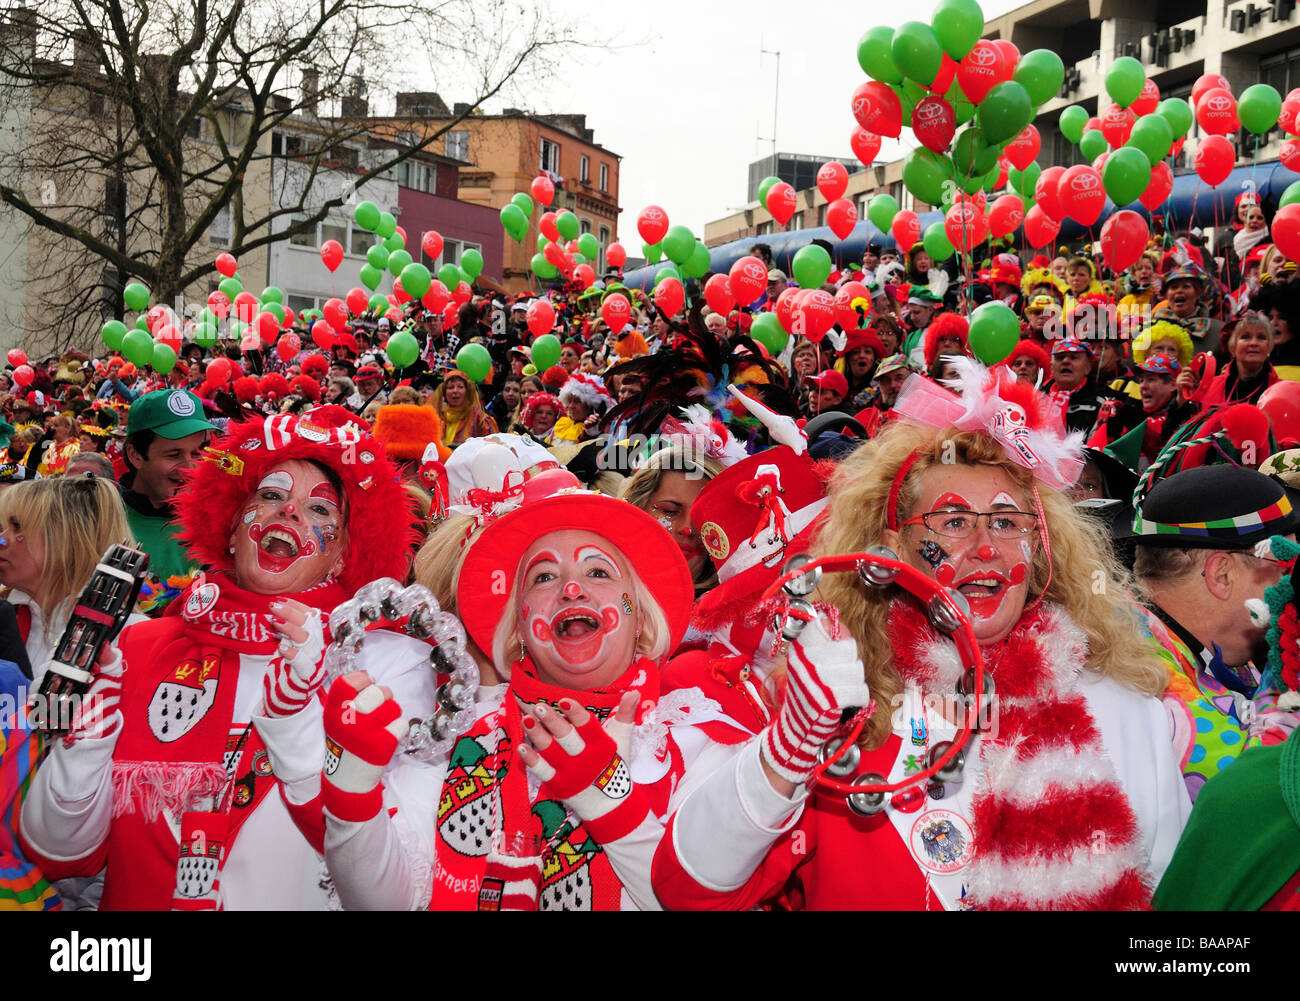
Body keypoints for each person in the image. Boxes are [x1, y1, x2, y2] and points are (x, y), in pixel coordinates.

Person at [653, 360, 1189, 910]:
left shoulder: (1121, 705)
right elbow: (686, 888)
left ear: (1043, 545)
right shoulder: (834, 703)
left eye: (1007, 523)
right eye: (953, 522)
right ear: (893, 548)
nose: (986, 548)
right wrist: (785, 751)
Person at [19, 407, 431, 909]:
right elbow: (61, 856)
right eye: (271, 495)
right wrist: (82, 752)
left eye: (321, 510)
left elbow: (385, 885)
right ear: (232, 530)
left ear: (344, 552)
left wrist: (303, 720)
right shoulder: (139, 648)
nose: (290, 512)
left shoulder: (385, 666)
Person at [315, 484, 748, 910]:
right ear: (519, 629)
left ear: (642, 620)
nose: (572, 590)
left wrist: (610, 804)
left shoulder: (699, 746)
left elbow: (699, 900)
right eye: (544, 577)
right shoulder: (458, 741)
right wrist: (351, 792)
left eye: (598, 572)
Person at [1132, 464, 1299, 802]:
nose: (1292, 586)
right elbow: (1260, 792)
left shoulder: (1219, 644)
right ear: (1221, 575)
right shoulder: (1133, 668)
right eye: (1286, 568)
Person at [118, 389, 217, 586]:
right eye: (173, 455)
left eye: (198, 453)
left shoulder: (218, 521)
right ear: (135, 455)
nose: (190, 468)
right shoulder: (102, 516)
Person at [1191, 311, 1278, 408]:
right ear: (1233, 347)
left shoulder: (1280, 391)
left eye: (1261, 337)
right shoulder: (1209, 388)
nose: (1254, 343)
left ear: (1269, 346)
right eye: (1246, 337)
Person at [432, 369, 497, 447]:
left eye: (460, 387)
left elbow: (492, 447)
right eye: (450, 387)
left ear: (467, 391)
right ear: (444, 392)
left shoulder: (480, 418)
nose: (455, 391)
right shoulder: (439, 417)